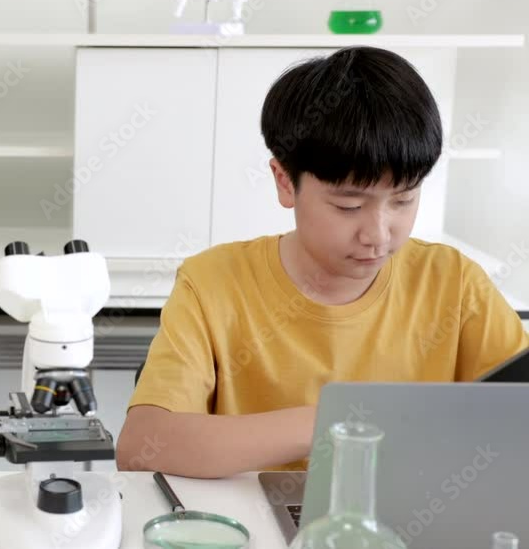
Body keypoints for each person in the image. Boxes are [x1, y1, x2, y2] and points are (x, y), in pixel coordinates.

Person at [116, 46, 529, 478]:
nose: (379, 233)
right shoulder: (213, 283)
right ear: (284, 182)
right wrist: (336, 421)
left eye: (404, 199)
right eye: (349, 206)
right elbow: (143, 445)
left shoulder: (454, 283)